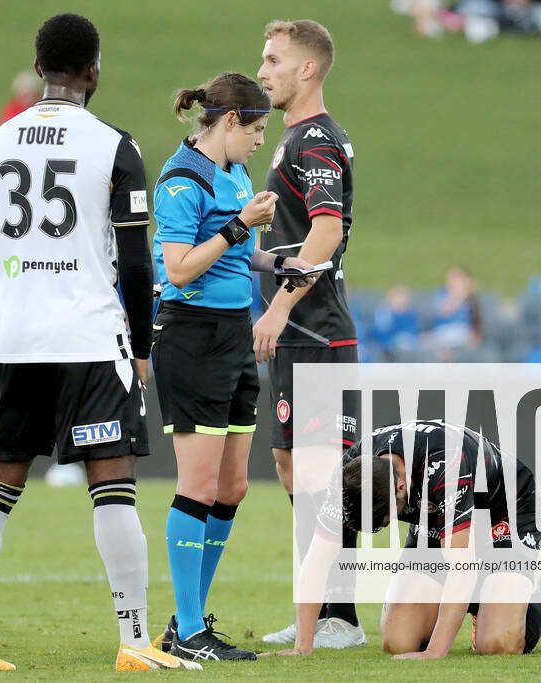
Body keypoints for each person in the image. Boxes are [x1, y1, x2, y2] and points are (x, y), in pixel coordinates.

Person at [0, 14, 197, 673]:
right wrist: (139, 347)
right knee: (113, 485)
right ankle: (135, 639)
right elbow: (136, 265)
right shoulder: (114, 146)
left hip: (20, 335)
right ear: (94, 70)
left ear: (39, 64)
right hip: (88, 334)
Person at [150, 72, 318, 663]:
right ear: (229, 123)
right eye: (256, 129)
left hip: (233, 335)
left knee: (233, 486)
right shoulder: (179, 179)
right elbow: (178, 270)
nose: (258, 141)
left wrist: (279, 262)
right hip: (190, 336)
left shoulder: (236, 173)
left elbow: (234, 256)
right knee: (196, 485)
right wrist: (240, 225)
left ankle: (187, 622)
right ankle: (190, 628)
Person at [267, 420, 541, 658]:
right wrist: (302, 647)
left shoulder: (446, 463)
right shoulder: (351, 471)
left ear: (401, 487)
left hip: (505, 510)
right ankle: (480, 601)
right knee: (397, 640)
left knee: (496, 644)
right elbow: (317, 559)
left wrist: (435, 653)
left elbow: (461, 565)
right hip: (434, 515)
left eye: (384, 521)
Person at [254, 19, 366, 648]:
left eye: (273, 60)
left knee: (325, 476)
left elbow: (325, 232)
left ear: (307, 70)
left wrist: (277, 307)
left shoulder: (316, 140)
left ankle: (340, 619)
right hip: (301, 334)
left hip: (318, 332)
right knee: (293, 467)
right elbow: (299, 236)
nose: (263, 71)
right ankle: (315, 609)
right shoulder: (294, 139)